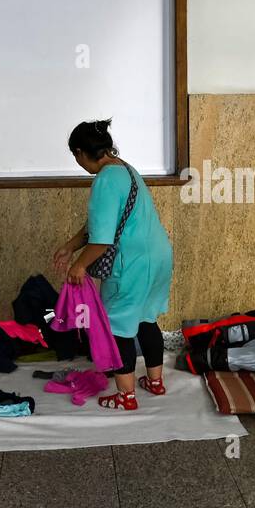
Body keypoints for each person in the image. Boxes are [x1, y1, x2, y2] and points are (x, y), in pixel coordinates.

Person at [54, 120, 174, 410]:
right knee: (146, 318)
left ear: (81, 152)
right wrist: (70, 246)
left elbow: (102, 239)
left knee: (118, 326)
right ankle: (155, 382)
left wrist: (79, 266)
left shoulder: (106, 179)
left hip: (130, 263)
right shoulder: (126, 170)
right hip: (157, 257)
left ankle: (126, 396)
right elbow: (100, 225)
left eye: (76, 157)